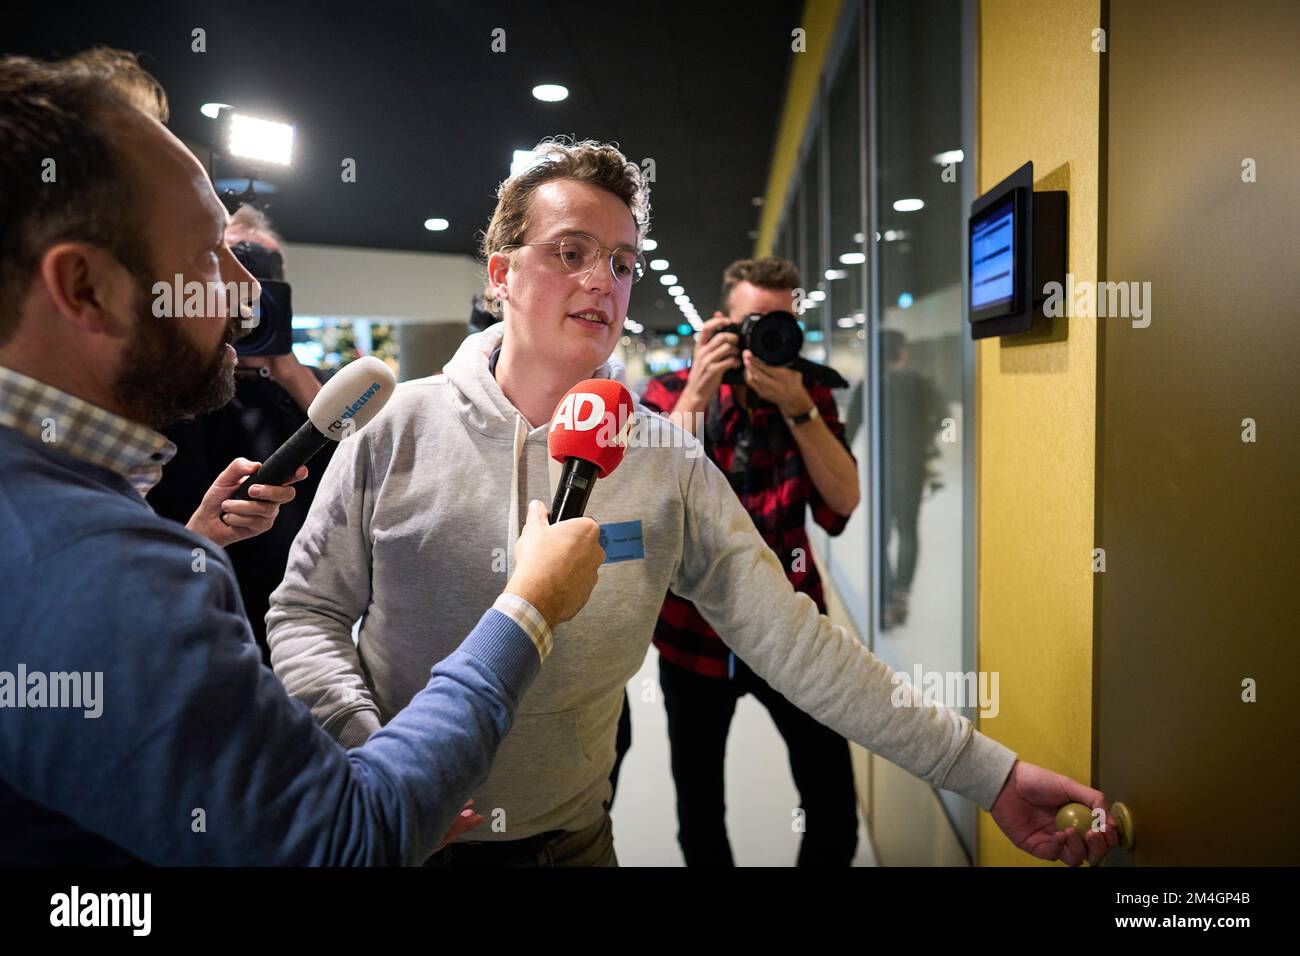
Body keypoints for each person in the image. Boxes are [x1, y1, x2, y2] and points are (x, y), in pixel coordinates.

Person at [269, 136, 1119, 868]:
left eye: (623, 261)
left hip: (573, 838)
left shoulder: (665, 458)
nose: (604, 279)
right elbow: (305, 613)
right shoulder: (394, 428)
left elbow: (796, 643)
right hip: (392, 834)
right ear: (501, 275)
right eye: (571, 251)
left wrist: (987, 773)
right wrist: (366, 754)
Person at [0, 48, 604, 865]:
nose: (246, 297)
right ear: (86, 289)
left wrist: (189, 545)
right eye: (210, 254)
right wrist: (528, 607)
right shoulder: (96, 566)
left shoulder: (77, 534)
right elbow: (350, 841)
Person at [639, 256, 861, 866]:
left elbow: (843, 501)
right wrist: (698, 394)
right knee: (700, 814)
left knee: (835, 808)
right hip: (692, 637)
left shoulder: (809, 391)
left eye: (782, 325)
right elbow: (658, 507)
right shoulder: (669, 393)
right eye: (755, 324)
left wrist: (799, 410)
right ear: (723, 327)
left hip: (792, 626)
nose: (770, 338)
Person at [148, 205, 336, 661]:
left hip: (300, 609)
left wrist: (286, 367)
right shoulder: (176, 386)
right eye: (225, 267)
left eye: (261, 285)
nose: (245, 295)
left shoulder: (313, 386)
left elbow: (359, 459)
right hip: (195, 600)